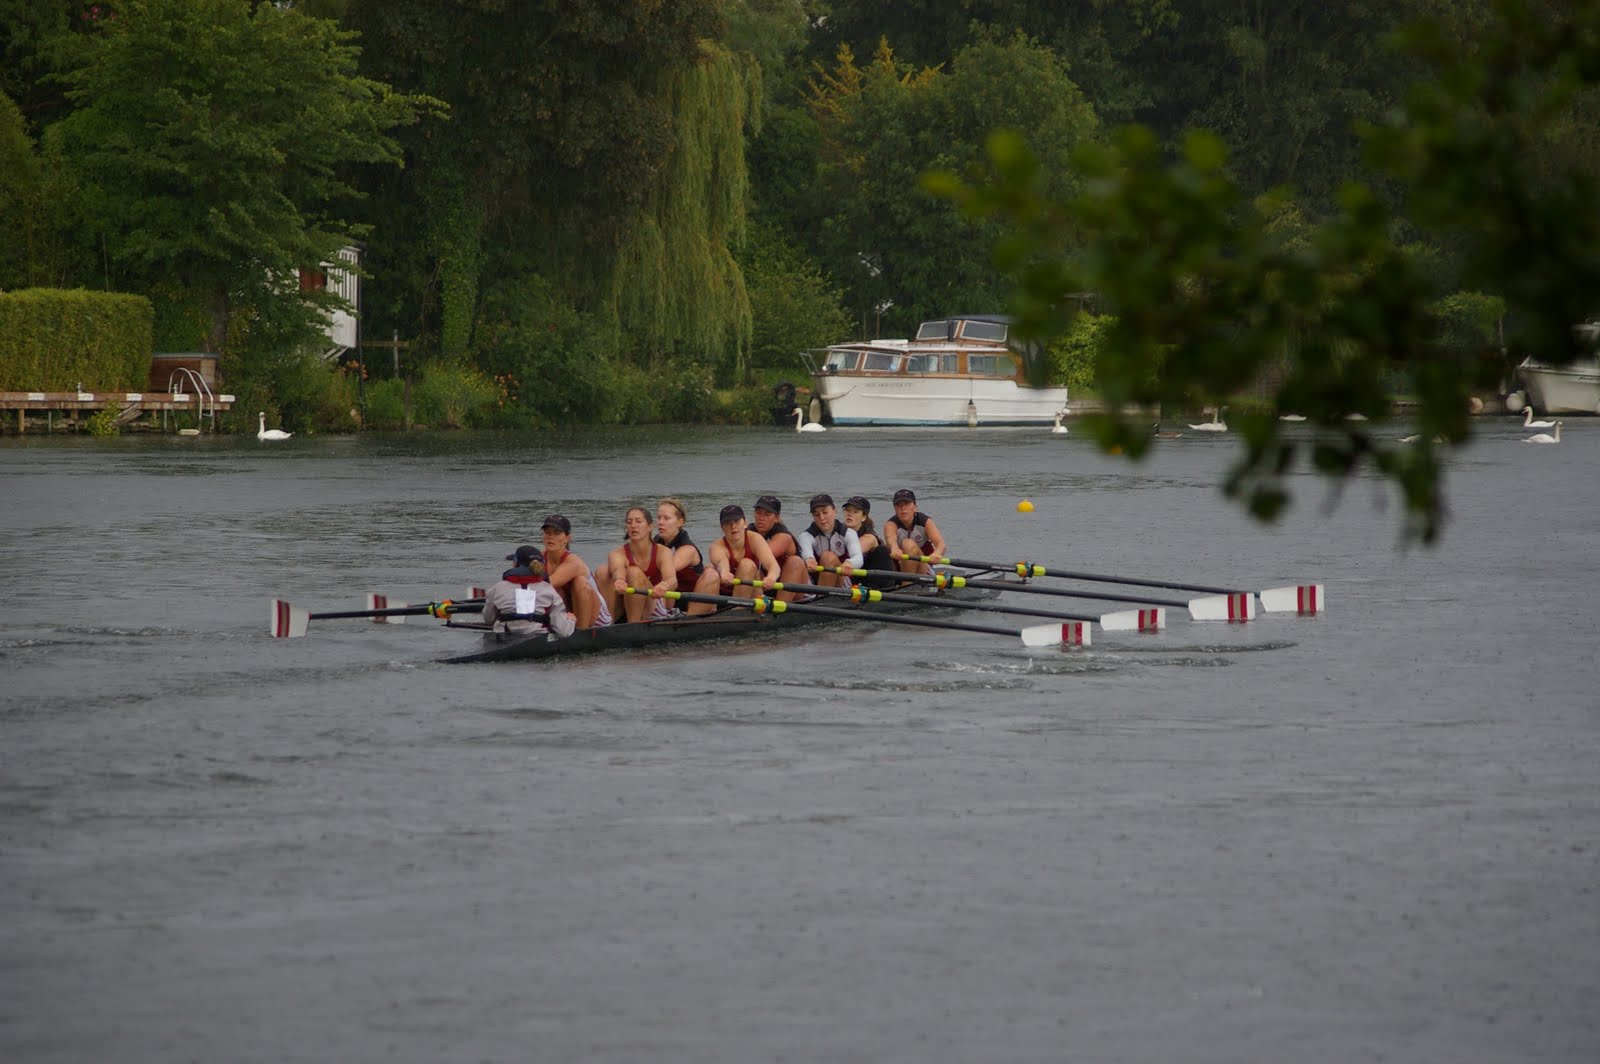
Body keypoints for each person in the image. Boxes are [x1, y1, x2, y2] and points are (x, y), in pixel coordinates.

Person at [690, 504, 780, 615]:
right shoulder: (716, 546)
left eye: (737, 521)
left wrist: (771, 577)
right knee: (709, 573)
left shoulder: (755, 539)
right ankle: (690, 621)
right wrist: (725, 573)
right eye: (728, 523)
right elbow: (721, 562)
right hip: (724, 598)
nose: (733, 527)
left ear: (745, 523)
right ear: (722, 528)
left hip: (752, 596)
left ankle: (737, 613)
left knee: (746, 564)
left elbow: (772, 565)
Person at [481, 546, 576, 638]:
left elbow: (489, 619)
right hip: (537, 638)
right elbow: (563, 631)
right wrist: (571, 620)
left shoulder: (497, 588)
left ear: (515, 564)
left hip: (503, 636)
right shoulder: (548, 590)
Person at [604, 505, 678, 622]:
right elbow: (618, 570)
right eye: (629, 522)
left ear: (650, 527)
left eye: (638, 521)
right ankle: (608, 623)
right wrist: (620, 580)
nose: (633, 525)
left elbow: (672, 580)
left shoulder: (663, 552)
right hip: (627, 604)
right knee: (603, 571)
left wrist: (664, 585)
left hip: (655, 606)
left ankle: (633, 625)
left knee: (633, 572)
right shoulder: (617, 553)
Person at [538, 514, 612, 629]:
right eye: (547, 533)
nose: (551, 537)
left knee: (579, 581)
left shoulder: (573, 562)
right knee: (554, 589)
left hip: (598, 619)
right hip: (570, 610)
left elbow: (548, 583)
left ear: (567, 539)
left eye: (556, 533)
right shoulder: (540, 557)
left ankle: (581, 632)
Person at [750, 494, 811, 600]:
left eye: (767, 514)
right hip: (767, 584)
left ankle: (779, 608)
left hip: (795, 590)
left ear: (776, 518)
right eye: (758, 513)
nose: (761, 518)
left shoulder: (783, 536)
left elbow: (763, 556)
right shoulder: (750, 531)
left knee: (794, 561)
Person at [797, 493, 863, 588]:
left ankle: (822, 598)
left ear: (834, 511)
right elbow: (807, 551)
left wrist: (849, 563)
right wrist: (809, 559)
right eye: (816, 514)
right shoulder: (806, 535)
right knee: (826, 556)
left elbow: (858, 558)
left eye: (825, 512)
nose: (822, 518)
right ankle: (821, 597)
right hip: (815, 580)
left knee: (828, 557)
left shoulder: (848, 533)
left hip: (842, 580)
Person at [884, 488, 947, 574]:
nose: (903, 508)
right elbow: (890, 540)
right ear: (895, 509)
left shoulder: (925, 521)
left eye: (907, 503)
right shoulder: (890, 524)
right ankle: (906, 583)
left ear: (915, 507)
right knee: (906, 544)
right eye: (899, 505)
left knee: (908, 543)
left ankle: (906, 584)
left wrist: (937, 553)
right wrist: (894, 548)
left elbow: (941, 544)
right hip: (899, 564)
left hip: (922, 564)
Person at [841, 495, 895, 587]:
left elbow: (852, 551)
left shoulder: (869, 537)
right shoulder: (839, 531)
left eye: (855, 512)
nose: (850, 514)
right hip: (854, 577)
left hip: (873, 581)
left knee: (882, 550)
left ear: (864, 517)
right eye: (848, 510)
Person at [654, 497, 705, 592]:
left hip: (689, 598)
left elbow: (664, 571)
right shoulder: (657, 540)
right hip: (668, 594)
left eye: (666, 518)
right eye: (659, 518)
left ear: (680, 522)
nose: (660, 522)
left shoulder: (687, 549)